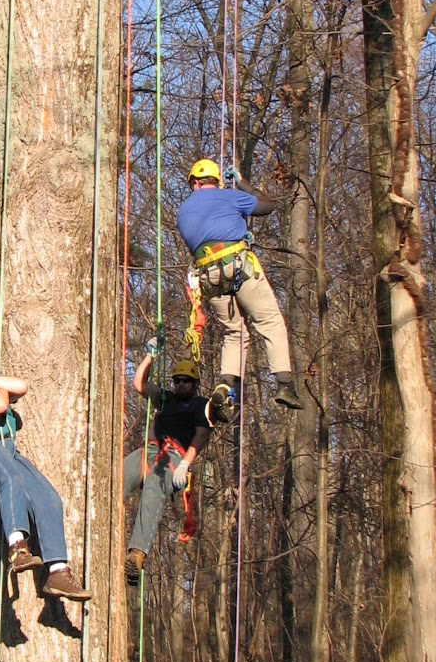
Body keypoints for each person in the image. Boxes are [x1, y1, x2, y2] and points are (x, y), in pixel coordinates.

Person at [0, 338, 91, 602]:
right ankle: (18, 546)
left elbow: (22, 386)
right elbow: (0, 405)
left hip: (6, 452)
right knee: (10, 478)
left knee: (49, 499)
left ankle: (58, 571)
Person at [175, 159, 302, 417]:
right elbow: (267, 205)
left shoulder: (183, 212)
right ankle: (284, 384)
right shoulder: (230, 196)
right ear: (216, 181)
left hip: (209, 278)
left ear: (195, 183)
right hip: (238, 266)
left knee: (234, 331)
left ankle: (224, 385)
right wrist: (242, 183)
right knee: (270, 321)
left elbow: (208, 234)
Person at [123, 350, 213, 586]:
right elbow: (138, 383)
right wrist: (150, 356)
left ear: (195, 384)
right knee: (116, 479)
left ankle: (137, 554)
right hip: (150, 450)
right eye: (177, 380)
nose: (181, 384)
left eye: (186, 381)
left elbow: (202, 435)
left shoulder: (201, 405)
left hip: (175, 455)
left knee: (154, 487)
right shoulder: (165, 398)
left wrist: (185, 463)